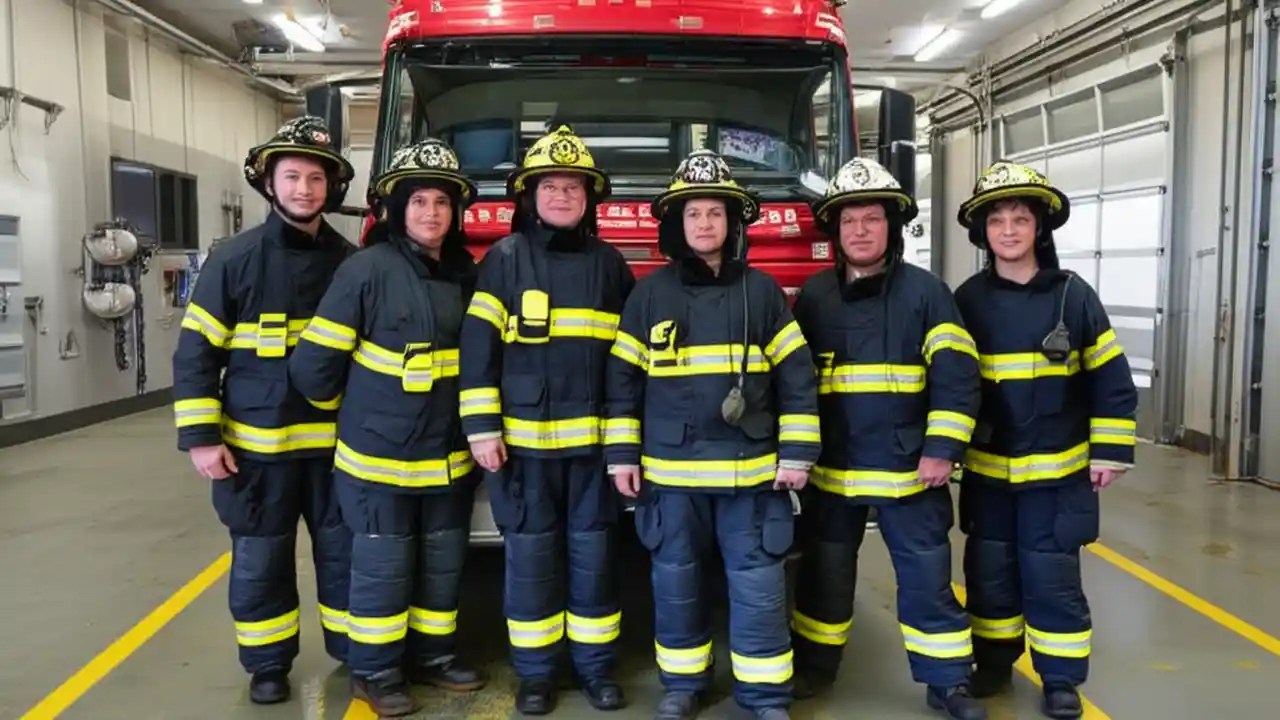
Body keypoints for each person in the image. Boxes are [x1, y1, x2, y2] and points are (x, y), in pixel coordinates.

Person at [605, 149, 821, 720]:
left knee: (758, 589)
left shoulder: (765, 293)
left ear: (734, 223)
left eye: (715, 213)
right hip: (670, 479)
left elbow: (797, 377)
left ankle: (765, 695)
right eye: (693, 213)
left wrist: (797, 453)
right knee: (675, 584)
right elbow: (622, 381)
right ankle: (682, 685)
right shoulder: (649, 295)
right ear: (676, 224)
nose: (704, 223)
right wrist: (621, 455)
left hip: (751, 477)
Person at [288, 138, 486, 716]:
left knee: (442, 564)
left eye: (442, 202)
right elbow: (313, 367)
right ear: (398, 210)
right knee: (381, 568)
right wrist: (362, 417)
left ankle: (434, 655)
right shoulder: (366, 270)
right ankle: (374, 671)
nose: (431, 213)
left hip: (448, 460)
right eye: (419, 201)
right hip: (378, 463)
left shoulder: (463, 273)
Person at [787, 158, 987, 720]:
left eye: (870, 219)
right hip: (834, 470)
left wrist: (943, 447)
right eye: (848, 221)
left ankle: (948, 681)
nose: (859, 231)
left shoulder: (927, 294)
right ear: (835, 231)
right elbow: (795, 380)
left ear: (891, 226)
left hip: (910, 470)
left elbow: (956, 374)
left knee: (926, 577)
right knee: (825, 577)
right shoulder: (815, 297)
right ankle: (816, 667)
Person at [171, 115, 355, 704]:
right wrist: (202, 435)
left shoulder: (351, 263)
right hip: (256, 451)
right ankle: (269, 665)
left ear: (332, 188)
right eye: (293, 176)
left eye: (316, 179)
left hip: (334, 450)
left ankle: (357, 652)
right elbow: (196, 351)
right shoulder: (233, 260)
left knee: (345, 555)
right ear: (269, 183)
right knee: (260, 561)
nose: (305, 189)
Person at [952, 161, 1138, 720]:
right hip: (988, 474)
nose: (1008, 230)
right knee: (989, 575)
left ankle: (1060, 678)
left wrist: (1109, 451)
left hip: (1057, 478)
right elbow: (950, 384)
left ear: (1040, 229)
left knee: (1052, 577)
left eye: (1020, 220)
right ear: (983, 233)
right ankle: (993, 662)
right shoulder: (966, 302)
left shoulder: (1073, 298)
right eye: (998, 221)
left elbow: (1111, 379)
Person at [459, 125, 634, 715]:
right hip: (522, 454)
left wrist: (622, 444)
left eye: (573, 187)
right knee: (530, 563)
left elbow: (628, 363)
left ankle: (594, 670)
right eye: (549, 186)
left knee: (594, 561)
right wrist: (482, 428)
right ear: (528, 196)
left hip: (591, 455)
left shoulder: (611, 266)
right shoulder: (503, 261)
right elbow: (479, 350)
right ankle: (535, 676)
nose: (561, 196)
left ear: (590, 198)